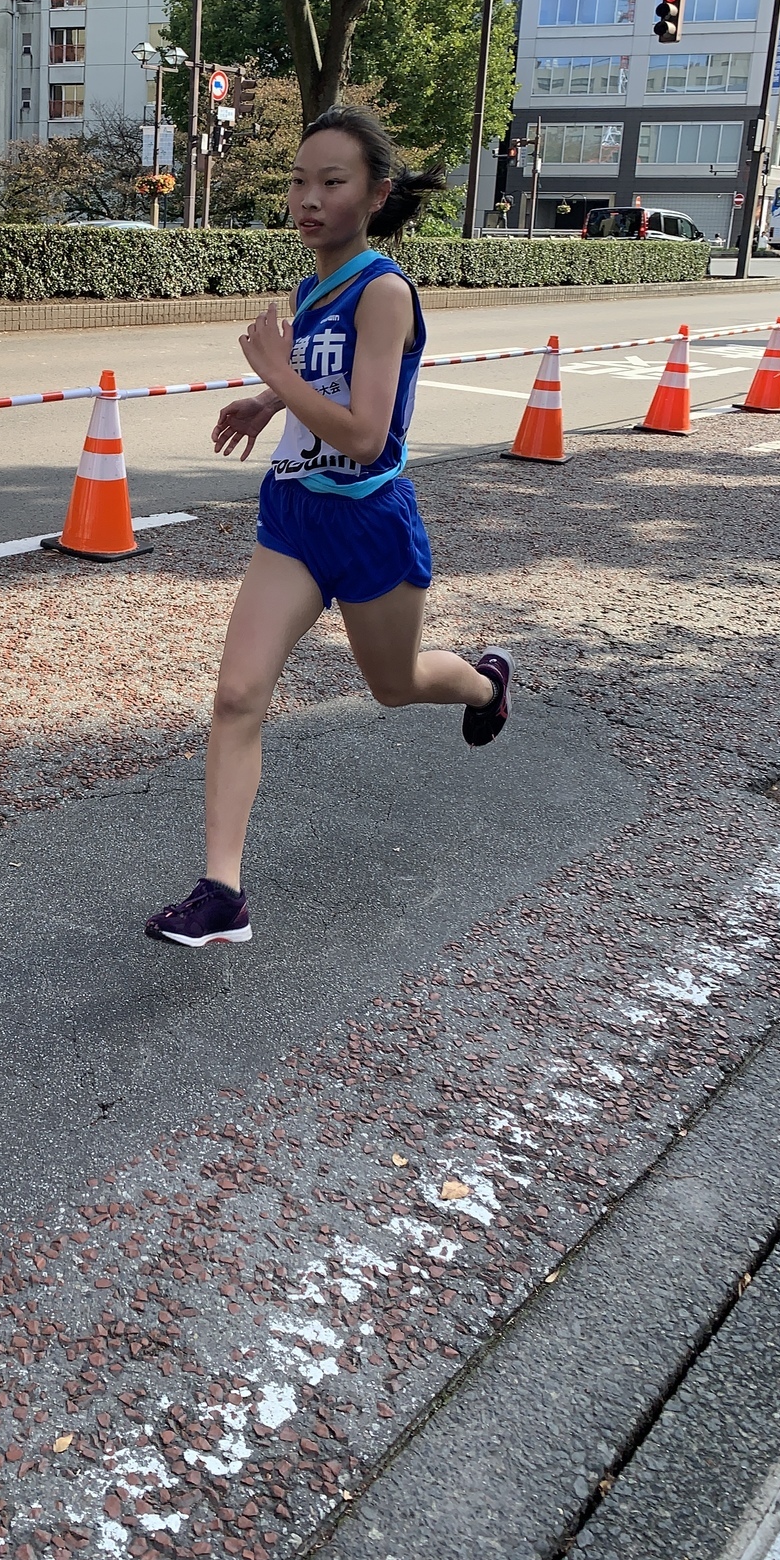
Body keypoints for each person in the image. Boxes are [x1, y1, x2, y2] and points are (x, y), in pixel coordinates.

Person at [145, 106, 513, 949]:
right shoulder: (314, 286)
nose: (308, 198)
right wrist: (269, 397)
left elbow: (365, 434)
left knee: (394, 683)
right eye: (298, 181)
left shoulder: (384, 292)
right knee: (238, 694)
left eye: (331, 183)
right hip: (295, 516)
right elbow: (323, 380)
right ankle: (222, 893)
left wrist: (276, 370)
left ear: (377, 194)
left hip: (370, 522)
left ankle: (487, 684)